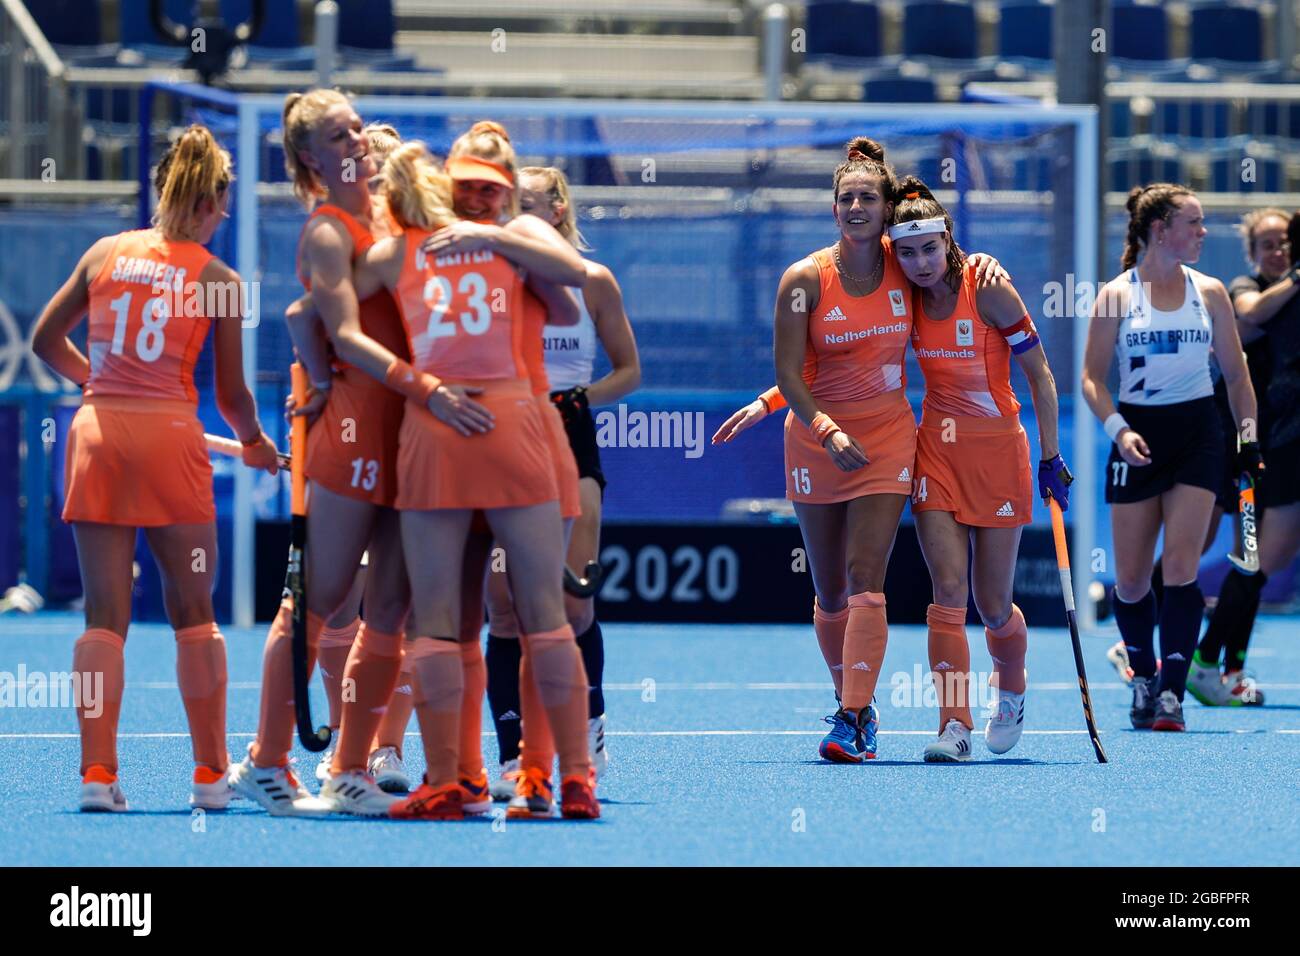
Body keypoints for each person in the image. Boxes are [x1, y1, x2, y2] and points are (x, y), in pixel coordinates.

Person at [343, 134, 598, 819]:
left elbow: (573, 290)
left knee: (493, 617)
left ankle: (520, 776)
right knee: (495, 617)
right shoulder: (494, 238)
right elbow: (574, 291)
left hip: (472, 427)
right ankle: (501, 777)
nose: (478, 195)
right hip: (511, 427)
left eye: (491, 183)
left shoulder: (477, 239)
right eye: (469, 183)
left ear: (510, 186)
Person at [31, 124, 280, 811]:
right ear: (212, 202)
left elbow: (44, 339)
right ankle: (208, 779)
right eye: (223, 205)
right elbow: (231, 397)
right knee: (194, 611)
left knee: (103, 618)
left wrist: (95, 382)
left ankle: (97, 777)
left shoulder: (104, 252)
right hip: (172, 442)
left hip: (99, 436)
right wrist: (257, 444)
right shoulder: (223, 281)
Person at [227, 91, 413, 817]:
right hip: (353, 434)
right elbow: (328, 321)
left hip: (407, 434)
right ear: (309, 157)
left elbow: (302, 318)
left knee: (392, 605)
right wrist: (348, 381)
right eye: (340, 133)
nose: (357, 139)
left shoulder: (385, 212)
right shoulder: (328, 231)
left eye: (359, 126)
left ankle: (350, 768)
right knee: (316, 602)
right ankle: (266, 760)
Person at [887, 177, 1069, 760]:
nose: (919, 263)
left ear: (948, 241)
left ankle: (1011, 689)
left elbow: (1040, 377)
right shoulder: (901, 294)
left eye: (929, 249)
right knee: (947, 589)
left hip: (999, 453)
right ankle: (954, 725)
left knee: (993, 605)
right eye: (907, 252)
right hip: (935, 452)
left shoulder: (989, 289)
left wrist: (1050, 455)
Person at [480, 165, 642, 800]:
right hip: (503, 433)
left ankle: (590, 730)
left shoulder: (592, 280)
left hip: (569, 436)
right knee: (504, 604)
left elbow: (629, 370)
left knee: (574, 600)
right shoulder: (491, 278)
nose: (516, 213)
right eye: (507, 203)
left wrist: (577, 397)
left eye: (529, 203)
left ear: (558, 209)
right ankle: (512, 754)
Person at [1082, 183, 1261, 732]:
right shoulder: (1116, 295)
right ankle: (1142, 675)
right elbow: (1091, 379)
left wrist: (1248, 442)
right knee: (1133, 581)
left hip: (1199, 434)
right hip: (1137, 434)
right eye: (1195, 223)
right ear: (1160, 229)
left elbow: (1236, 375)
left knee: (1182, 570)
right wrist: (1118, 432)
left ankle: (1171, 696)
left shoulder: (1209, 292)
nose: (1204, 232)